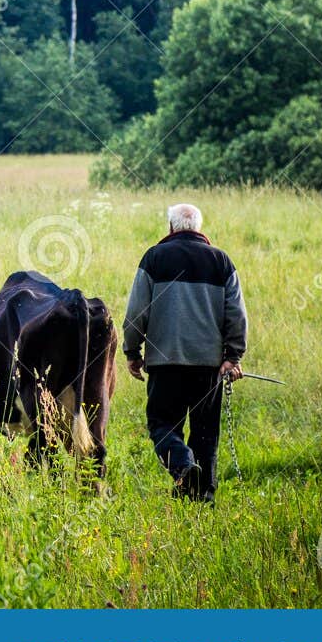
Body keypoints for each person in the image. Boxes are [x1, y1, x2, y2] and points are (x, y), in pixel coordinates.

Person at [122, 203, 247, 503]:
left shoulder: (154, 258)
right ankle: (204, 496)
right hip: (209, 367)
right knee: (206, 432)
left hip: (165, 365)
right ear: (199, 228)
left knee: (162, 424)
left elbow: (136, 312)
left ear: (170, 227)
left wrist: (132, 350)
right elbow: (236, 314)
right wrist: (233, 356)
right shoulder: (222, 261)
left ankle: (183, 466)